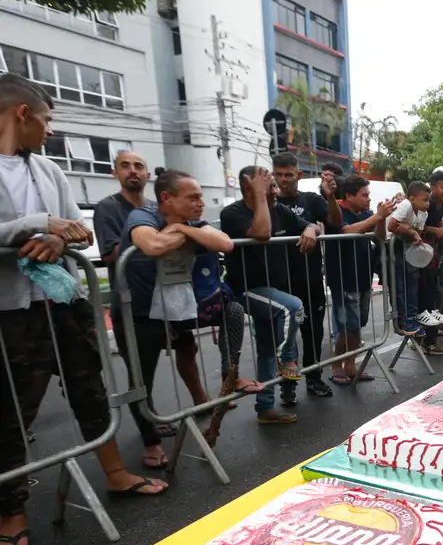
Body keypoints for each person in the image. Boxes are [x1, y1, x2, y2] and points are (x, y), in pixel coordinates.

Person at [0, 74, 167, 545]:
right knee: (11, 413)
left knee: (91, 389)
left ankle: (115, 473)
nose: (50, 130)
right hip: (11, 312)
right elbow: (44, 223)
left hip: (63, 302)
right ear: (22, 114)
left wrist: (58, 238)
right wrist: (39, 224)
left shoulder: (48, 170)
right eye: (46, 119)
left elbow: (80, 232)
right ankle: (10, 511)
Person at [120, 170, 256, 460]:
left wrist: (182, 229)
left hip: (174, 308)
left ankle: (219, 385)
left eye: (201, 197)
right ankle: (151, 443)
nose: (201, 203)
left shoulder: (191, 221)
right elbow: (152, 245)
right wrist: (185, 233)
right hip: (139, 311)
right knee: (141, 379)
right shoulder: (143, 216)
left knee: (214, 326)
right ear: (167, 198)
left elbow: (225, 244)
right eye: (193, 197)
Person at [97, 153, 209, 445]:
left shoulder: (156, 208)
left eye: (139, 166)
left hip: (168, 298)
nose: (133, 171)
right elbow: (116, 251)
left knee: (187, 347)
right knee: (141, 373)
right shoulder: (111, 208)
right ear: (115, 173)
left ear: (148, 175)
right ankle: (150, 440)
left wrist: (178, 230)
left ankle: (201, 399)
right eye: (125, 166)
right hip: (134, 302)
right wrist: (145, 237)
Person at [220, 166, 318, 424]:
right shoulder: (232, 213)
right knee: (293, 307)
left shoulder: (278, 209)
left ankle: (265, 408)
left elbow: (311, 225)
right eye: (268, 185)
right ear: (248, 187)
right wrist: (260, 196)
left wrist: (310, 230)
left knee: (266, 349)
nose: (275, 190)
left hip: (274, 290)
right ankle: (287, 360)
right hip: (246, 290)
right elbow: (262, 233)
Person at [272, 153, 333, 401]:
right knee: (284, 335)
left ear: (298, 174)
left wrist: (329, 197)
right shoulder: (270, 204)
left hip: (309, 277)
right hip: (279, 281)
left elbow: (334, 222)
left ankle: (314, 377)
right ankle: (287, 384)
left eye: (289, 174)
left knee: (313, 331)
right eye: (279, 174)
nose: (284, 179)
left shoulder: (311, 199)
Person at [325, 175, 395, 382]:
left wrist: (380, 218)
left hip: (363, 276)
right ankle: (336, 365)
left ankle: (350, 365)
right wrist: (377, 216)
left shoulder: (367, 213)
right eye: (364, 195)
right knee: (349, 326)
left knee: (358, 324)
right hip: (343, 278)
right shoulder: (337, 212)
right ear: (349, 196)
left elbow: (379, 236)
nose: (368, 198)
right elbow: (347, 231)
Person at [415, 169, 443, 355]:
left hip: (434, 253)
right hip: (420, 254)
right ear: (433, 188)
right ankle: (425, 341)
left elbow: (436, 223)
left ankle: (429, 338)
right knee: (425, 295)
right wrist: (435, 230)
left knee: (434, 292)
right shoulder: (426, 203)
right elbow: (418, 226)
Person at [388, 181, 431, 337]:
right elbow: (392, 226)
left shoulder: (424, 214)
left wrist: (411, 232)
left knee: (412, 284)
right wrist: (411, 231)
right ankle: (402, 320)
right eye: (424, 200)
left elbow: (418, 232)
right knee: (399, 286)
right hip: (393, 248)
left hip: (408, 248)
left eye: (428, 200)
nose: (428, 203)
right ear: (412, 199)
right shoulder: (405, 205)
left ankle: (412, 319)